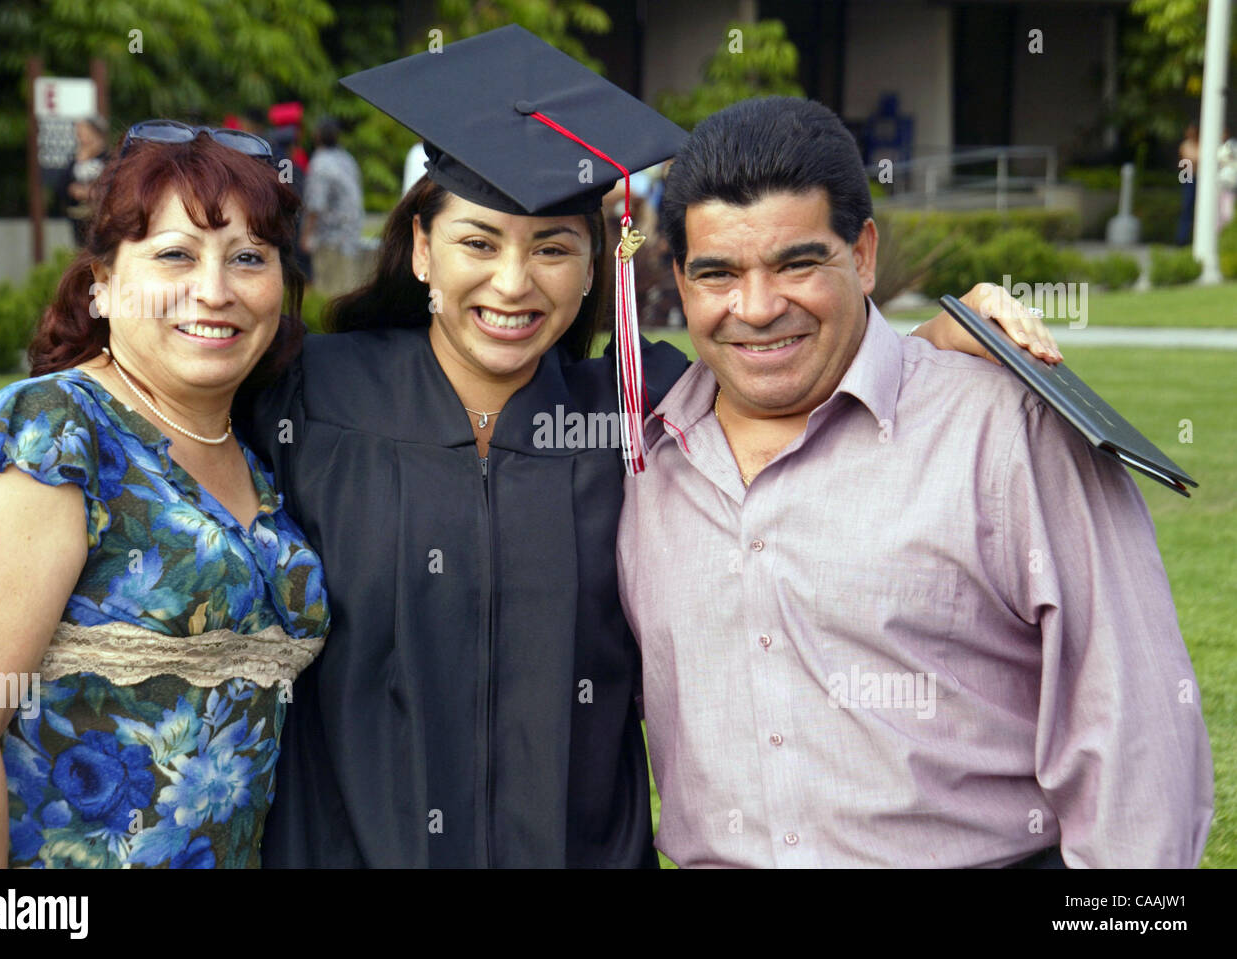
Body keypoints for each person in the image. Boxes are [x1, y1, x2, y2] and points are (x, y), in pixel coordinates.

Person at [239, 28, 1056, 870]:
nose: (514, 282)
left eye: (554, 247)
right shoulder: (309, 397)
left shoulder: (644, 411)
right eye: (478, 242)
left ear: (597, 265)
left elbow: (793, 366)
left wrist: (934, 337)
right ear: (421, 251)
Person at [617, 96, 1214, 868]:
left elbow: (1136, 738)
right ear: (680, 280)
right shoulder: (640, 456)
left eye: (798, 263)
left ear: (862, 255)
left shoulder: (1007, 432)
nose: (758, 307)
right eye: (719, 273)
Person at [0, 121, 329, 868]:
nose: (214, 290)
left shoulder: (254, 451)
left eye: (249, 257)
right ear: (104, 286)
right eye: (175, 254)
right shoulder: (51, 435)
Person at [301, 117, 365, 296]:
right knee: (348, 288)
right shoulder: (347, 159)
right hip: (351, 234)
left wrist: (306, 235)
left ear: (317, 136)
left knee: (328, 291)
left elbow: (316, 205)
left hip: (330, 238)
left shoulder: (320, 163)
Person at [64, 116, 110, 245]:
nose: (80, 136)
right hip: (78, 215)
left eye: (84, 131)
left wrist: (95, 191)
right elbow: (63, 184)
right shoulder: (75, 159)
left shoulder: (108, 158)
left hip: (99, 215)